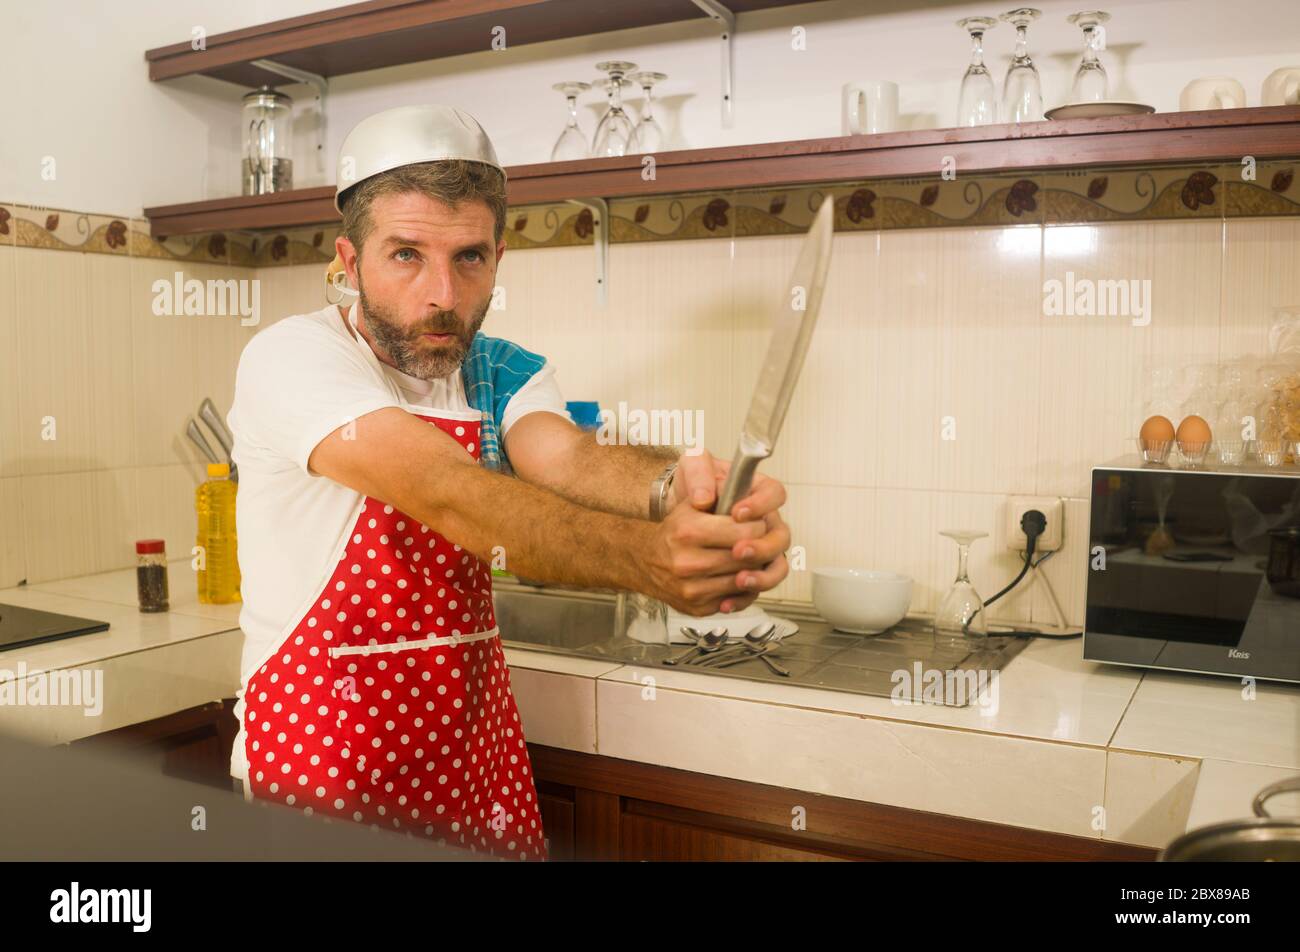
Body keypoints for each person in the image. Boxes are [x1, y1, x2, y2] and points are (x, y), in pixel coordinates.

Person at [226, 105, 791, 861]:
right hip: (327, 767)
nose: (442, 296)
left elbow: (568, 460)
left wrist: (687, 490)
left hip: (470, 766)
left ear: (499, 256)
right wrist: (649, 561)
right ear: (348, 261)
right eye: (405, 256)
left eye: (468, 258)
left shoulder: (499, 369)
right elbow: (447, 491)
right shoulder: (295, 359)